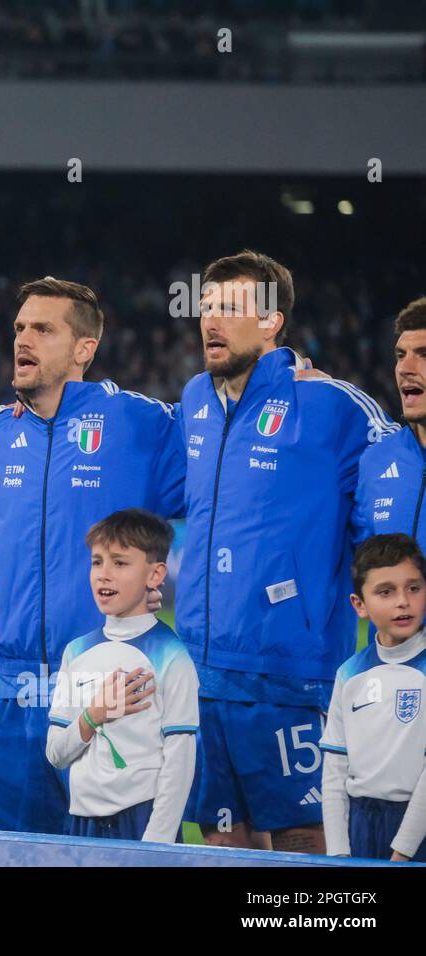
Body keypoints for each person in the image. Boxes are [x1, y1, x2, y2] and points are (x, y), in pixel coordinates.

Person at [179, 250, 398, 853]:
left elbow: (401, 489)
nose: (210, 321)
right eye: (205, 307)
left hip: (291, 672)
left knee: (307, 836)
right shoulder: (196, 400)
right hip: (204, 672)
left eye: (229, 308)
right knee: (222, 837)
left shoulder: (333, 408)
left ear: (273, 321)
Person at [0, 277, 184, 834]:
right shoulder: (0, 430)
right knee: (9, 849)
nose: (23, 338)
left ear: (83, 349)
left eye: (43, 329)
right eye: (20, 327)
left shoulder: (139, 422)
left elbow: (222, 466)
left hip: (107, 682)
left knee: (106, 849)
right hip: (19, 683)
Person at [45, 510, 198, 843]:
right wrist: (93, 716)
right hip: (82, 826)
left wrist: (156, 843)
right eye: (97, 562)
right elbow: (56, 753)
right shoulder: (75, 652)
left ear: (156, 574)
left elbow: (180, 760)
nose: (104, 575)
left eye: (120, 563)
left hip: (143, 822)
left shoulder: (171, 656)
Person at [320, 534, 426, 862]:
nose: (402, 602)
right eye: (385, 592)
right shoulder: (349, 674)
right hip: (360, 824)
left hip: (415, 828)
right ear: (360, 605)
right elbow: (335, 767)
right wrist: (338, 852)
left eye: (414, 588)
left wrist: (403, 852)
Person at [354, 297, 426, 546]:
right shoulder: (376, 460)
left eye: (423, 354)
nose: (405, 368)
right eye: (400, 355)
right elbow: (364, 566)